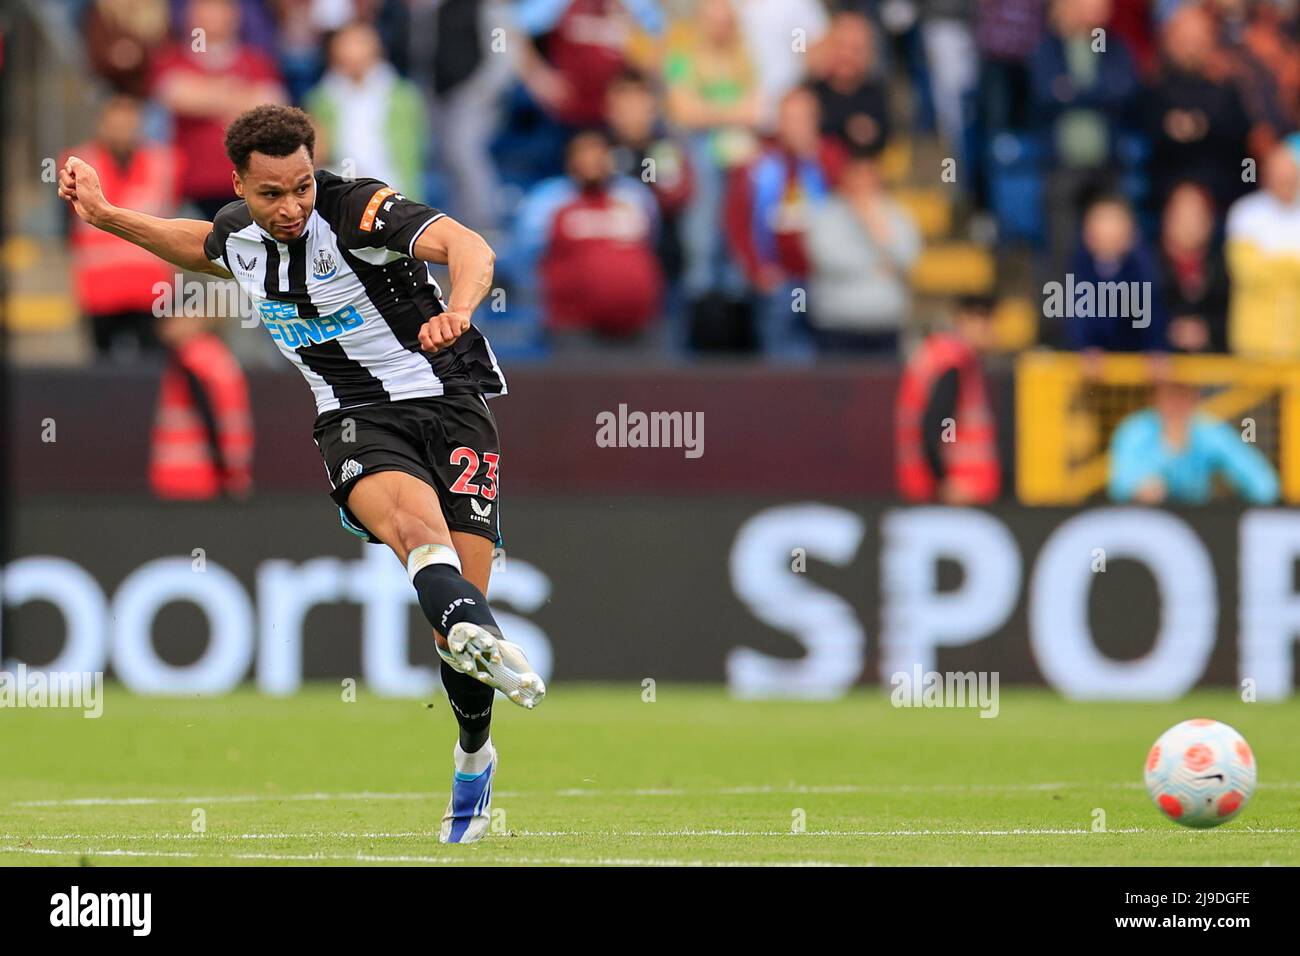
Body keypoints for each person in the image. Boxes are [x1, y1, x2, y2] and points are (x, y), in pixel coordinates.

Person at [58, 104, 542, 845]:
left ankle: (473, 750)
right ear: (240, 186)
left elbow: (467, 244)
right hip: (354, 417)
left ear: (317, 172)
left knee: (458, 611)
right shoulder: (239, 235)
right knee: (419, 538)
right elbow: (200, 246)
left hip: (450, 404)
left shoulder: (358, 210)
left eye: (302, 188)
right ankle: (473, 630)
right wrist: (106, 215)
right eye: (270, 194)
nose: (290, 208)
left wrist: (463, 308)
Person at [515, 129, 663, 351]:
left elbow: (651, 242)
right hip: (574, 327)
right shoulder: (548, 199)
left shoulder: (634, 196)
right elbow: (527, 258)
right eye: (583, 153)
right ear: (569, 159)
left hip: (639, 326)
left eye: (598, 153)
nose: (591, 161)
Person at [63, 94, 180, 361]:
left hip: (150, 288)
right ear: (101, 125)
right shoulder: (78, 164)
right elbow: (67, 225)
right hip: (99, 288)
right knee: (102, 373)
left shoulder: (163, 163)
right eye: (115, 124)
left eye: (128, 124)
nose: (122, 131)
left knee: (154, 369)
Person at [149, 0, 285, 219]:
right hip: (192, 188)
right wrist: (240, 96)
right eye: (203, 9)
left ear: (234, 16)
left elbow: (271, 107)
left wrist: (205, 95)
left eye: (218, 8)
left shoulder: (256, 61)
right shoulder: (172, 59)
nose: (211, 16)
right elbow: (176, 95)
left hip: (247, 185)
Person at [804, 150, 921, 355]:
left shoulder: (897, 215)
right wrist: (878, 267)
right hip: (838, 326)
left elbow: (907, 257)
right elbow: (828, 259)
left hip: (885, 325)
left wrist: (877, 227)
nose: (863, 184)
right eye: (857, 176)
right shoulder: (826, 215)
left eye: (869, 176)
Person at [304, 22, 428, 203]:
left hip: (392, 185)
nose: (353, 52)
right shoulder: (322, 99)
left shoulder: (402, 96)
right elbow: (320, 152)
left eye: (360, 43)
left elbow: (410, 155)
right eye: (346, 44)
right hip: (343, 183)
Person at [895, 295, 1002, 505]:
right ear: (962, 320)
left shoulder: (942, 355)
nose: (990, 329)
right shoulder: (953, 362)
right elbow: (939, 422)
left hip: (941, 491)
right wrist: (944, 479)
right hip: (954, 492)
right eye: (983, 319)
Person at [1108, 379, 1279, 505]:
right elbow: (1122, 485)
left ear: (1194, 399)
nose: (1176, 404)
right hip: (1145, 522)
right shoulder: (1135, 430)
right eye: (1170, 396)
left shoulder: (1209, 430)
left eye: (1183, 396)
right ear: (1155, 399)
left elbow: (1263, 484)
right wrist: (1167, 453)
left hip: (1201, 520)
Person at [150, 311, 253, 499]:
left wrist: (223, 469)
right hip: (215, 474)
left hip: (194, 479)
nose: (164, 326)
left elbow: (209, 414)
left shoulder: (192, 360)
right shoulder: (218, 355)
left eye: (172, 318)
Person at [1225, 143, 1300, 358]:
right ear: (1266, 175)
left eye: (1291, 174)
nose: (1286, 180)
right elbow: (1248, 272)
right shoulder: (1245, 213)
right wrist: (1293, 266)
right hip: (1253, 347)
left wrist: (1271, 264)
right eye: (1279, 174)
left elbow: (1261, 271)